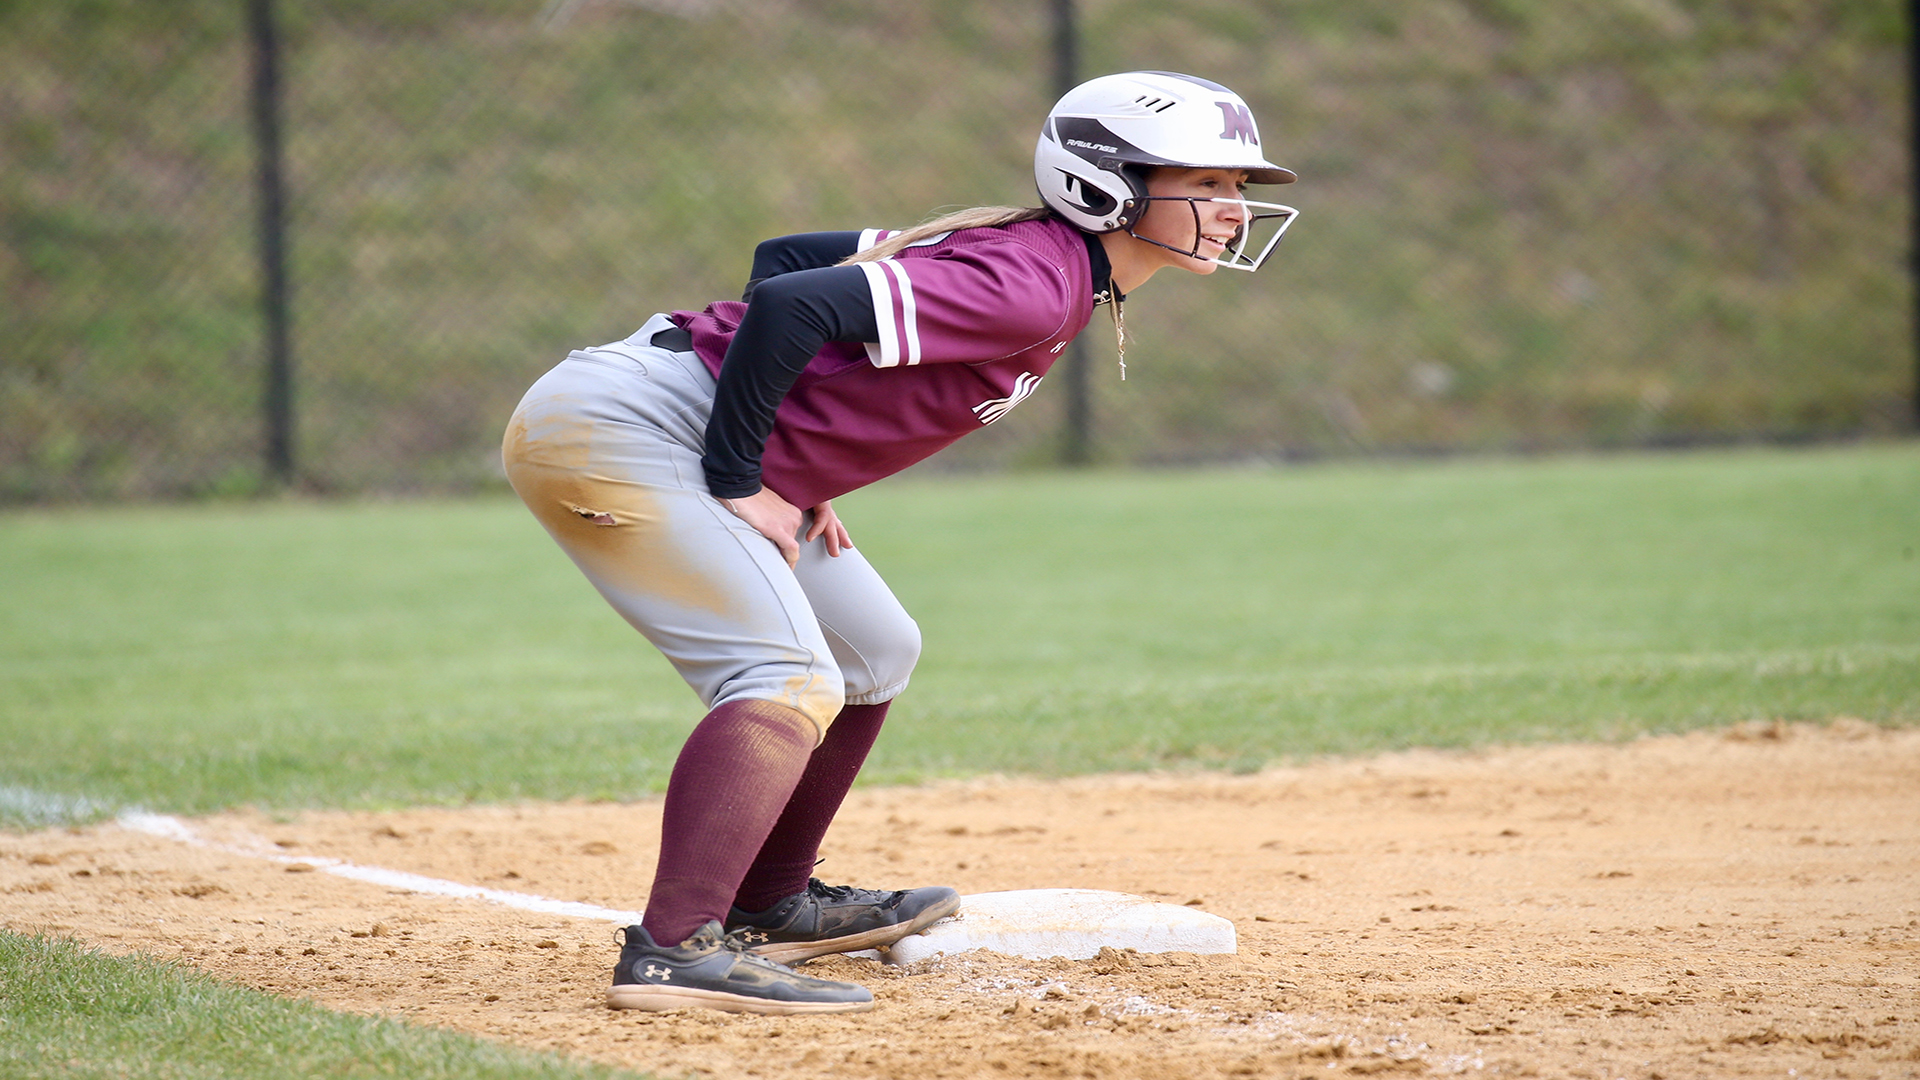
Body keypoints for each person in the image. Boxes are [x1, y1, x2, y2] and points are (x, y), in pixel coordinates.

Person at [501, 70, 1297, 1016]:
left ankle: (769, 902)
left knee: (875, 651)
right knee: (784, 676)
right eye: (1205, 184)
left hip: (669, 416)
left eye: (1237, 188)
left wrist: (795, 458)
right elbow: (792, 303)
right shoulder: (1033, 285)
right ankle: (674, 949)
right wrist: (742, 471)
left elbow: (786, 257)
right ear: (1107, 184)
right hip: (623, 426)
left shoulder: (1046, 264)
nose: (1232, 209)